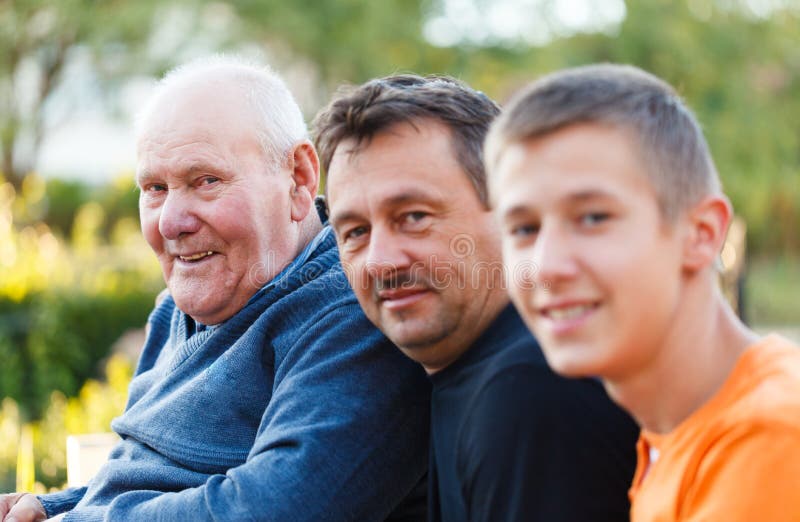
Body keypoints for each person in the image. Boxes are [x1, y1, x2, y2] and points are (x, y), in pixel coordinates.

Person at [0, 57, 431, 522]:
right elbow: (151, 481)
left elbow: (279, 508)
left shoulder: (355, 312)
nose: (170, 222)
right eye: (155, 188)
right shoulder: (178, 309)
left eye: (205, 181)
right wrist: (52, 507)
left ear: (299, 179)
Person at [313, 74, 638, 522]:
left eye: (413, 216)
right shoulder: (463, 374)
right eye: (356, 233)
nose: (380, 260)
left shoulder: (530, 390)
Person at [485, 63, 800, 521]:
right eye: (524, 228)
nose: (546, 267)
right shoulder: (675, 432)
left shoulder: (768, 443)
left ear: (701, 233)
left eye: (593, 217)